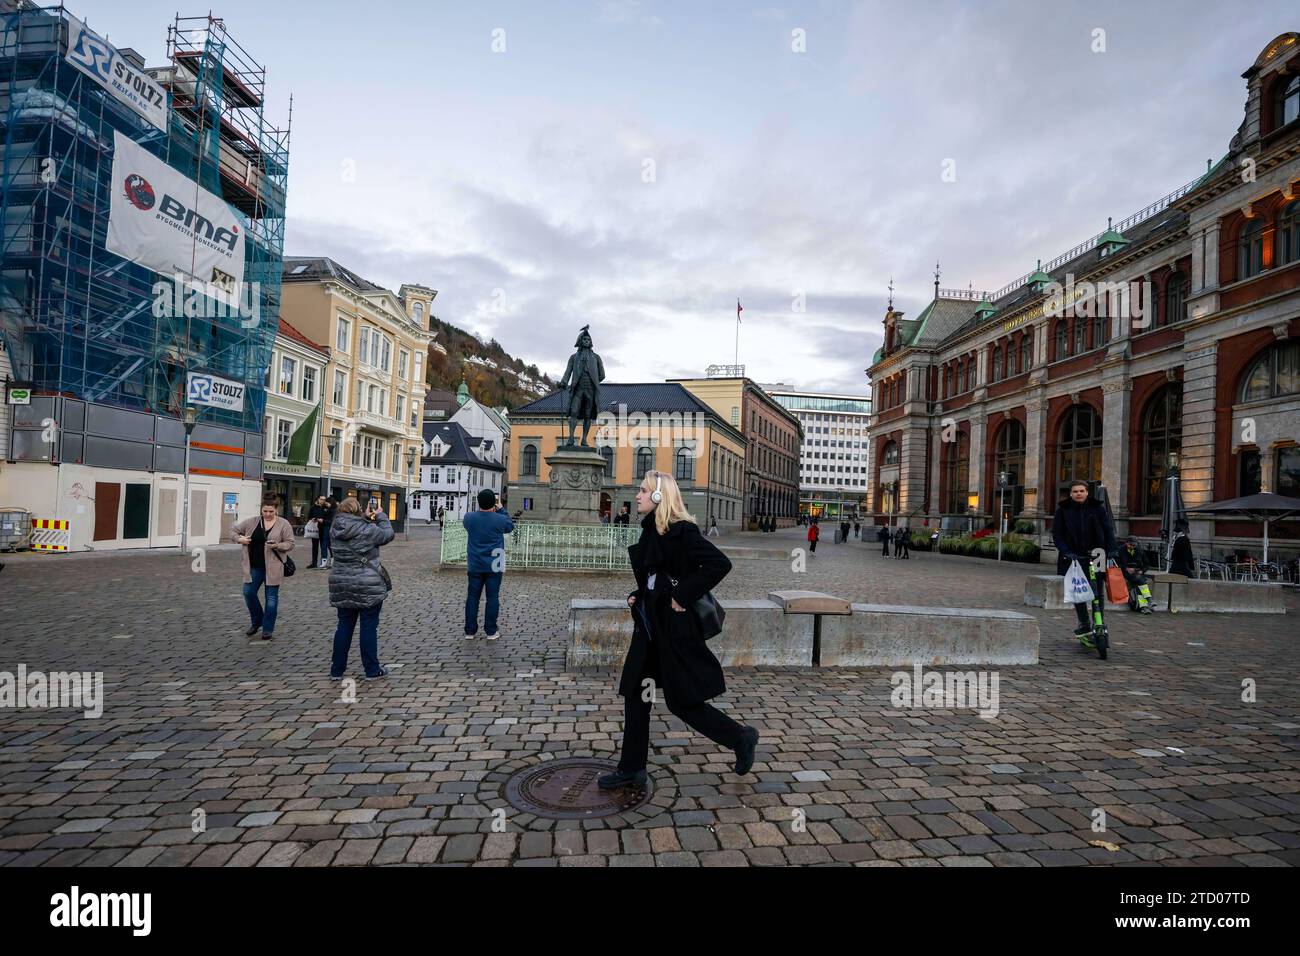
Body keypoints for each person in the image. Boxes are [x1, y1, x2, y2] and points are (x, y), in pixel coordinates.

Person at [599, 470, 759, 790]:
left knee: (681, 702)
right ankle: (632, 768)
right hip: (650, 628)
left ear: (660, 497)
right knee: (635, 694)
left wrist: (682, 594)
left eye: (644, 491)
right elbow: (655, 575)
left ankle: (740, 737)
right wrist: (639, 593)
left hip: (674, 631)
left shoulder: (683, 531)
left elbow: (719, 564)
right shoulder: (650, 531)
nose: (639, 495)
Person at [327, 497, 395, 680]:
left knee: (343, 627)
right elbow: (387, 534)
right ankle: (372, 670)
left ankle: (337, 670)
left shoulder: (334, 529)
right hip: (367, 585)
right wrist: (380, 516)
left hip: (341, 583)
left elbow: (351, 527)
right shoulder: (368, 529)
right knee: (368, 627)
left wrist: (362, 517)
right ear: (359, 511)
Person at [1051, 480, 1119, 645]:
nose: (1079, 494)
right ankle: (1084, 623)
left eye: (1082, 491)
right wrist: (1066, 551)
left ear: (1087, 492)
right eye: (1075, 491)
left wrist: (1111, 549)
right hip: (1074, 556)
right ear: (1071, 493)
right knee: (1079, 591)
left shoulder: (1098, 509)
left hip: (1097, 554)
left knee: (1098, 591)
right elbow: (1057, 534)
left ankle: (1100, 623)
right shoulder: (1063, 510)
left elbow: (1108, 530)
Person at [232, 494, 295, 641]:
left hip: (274, 567)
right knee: (248, 592)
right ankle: (257, 620)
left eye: (271, 511)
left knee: (271, 599)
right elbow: (233, 531)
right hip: (254, 566)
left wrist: (278, 545)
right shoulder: (252, 522)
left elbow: (291, 543)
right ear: (261, 510)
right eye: (265, 511)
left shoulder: (283, 524)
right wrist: (239, 539)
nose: (267, 514)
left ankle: (267, 629)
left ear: (276, 510)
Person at [463, 488, 514, 640]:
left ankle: (470, 631)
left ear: (478, 502)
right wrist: (501, 509)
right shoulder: (500, 519)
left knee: (472, 597)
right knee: (492, 597)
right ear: (494, 503)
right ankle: (491, 631)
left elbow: (468, 526)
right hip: (495, 563)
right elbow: (510, 526)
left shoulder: (469, 518)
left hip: (475, 562)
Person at [1118, 536, 1154, 613]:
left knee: (1139, 583)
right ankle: (1149, 600)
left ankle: (1143, 607)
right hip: (1125, 572)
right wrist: (1126, 568)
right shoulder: (1120, 550)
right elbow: (1116, 563)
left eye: (1134, 545)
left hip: (1137, 572)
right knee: (1140, 581)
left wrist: (1142, 571)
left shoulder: (1139, 550)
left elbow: (1147, 564)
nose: (1133, 547)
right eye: (1131, 545)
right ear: (1126, 543)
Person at [307, 495, 333, 569]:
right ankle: (314, 563)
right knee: (314, 546)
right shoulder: (313, 508)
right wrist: (313, 519)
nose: (323, 501)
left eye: (324, 499)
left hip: (324, 529)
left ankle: (326, 561)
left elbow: (329, 516)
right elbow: (309, 517)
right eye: (321, 499)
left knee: (325, 545)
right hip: (314, 529)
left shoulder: (326, 507)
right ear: (318, 499)